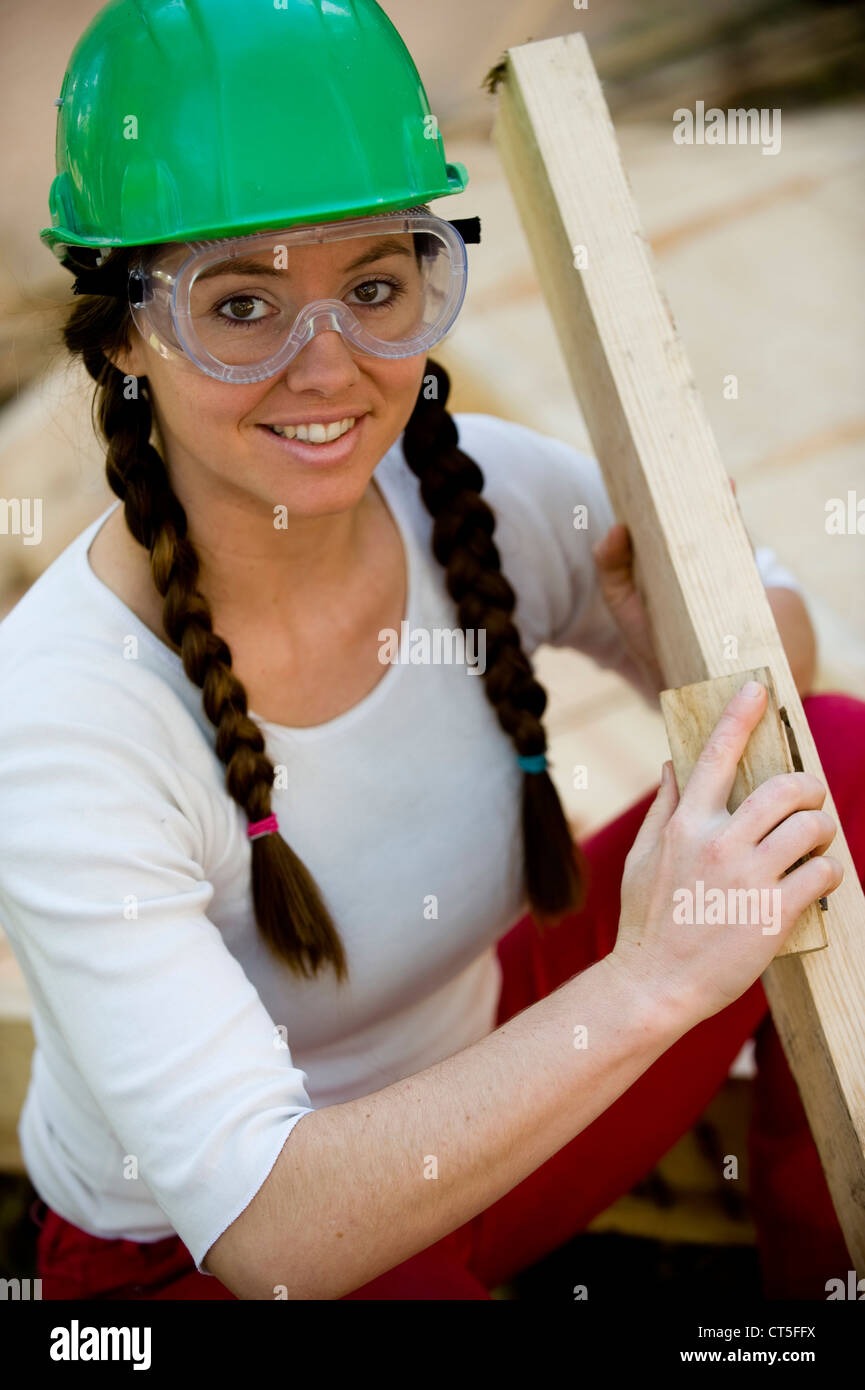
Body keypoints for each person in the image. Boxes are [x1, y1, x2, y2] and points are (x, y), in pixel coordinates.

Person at [1, 0, 858, 1302]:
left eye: (375, 288)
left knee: (834, 768)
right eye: (241, 304)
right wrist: (650, 983)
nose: (326, 365)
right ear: (123, 333)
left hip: (502, 1086)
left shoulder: (464, 488)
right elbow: (275, 1234)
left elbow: (782, 647)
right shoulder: (62, 719)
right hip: (227, 1257)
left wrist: (678, 628)